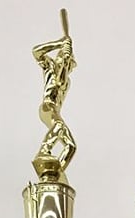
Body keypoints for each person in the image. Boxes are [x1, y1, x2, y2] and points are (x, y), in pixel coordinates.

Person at [32, 13, 77, 174]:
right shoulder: (49, 67)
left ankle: (57, 174)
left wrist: (65, 57)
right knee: (57, 125)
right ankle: (43, 151)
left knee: (71, 146)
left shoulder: (66, 81)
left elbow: (61, 80)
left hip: (55, 111)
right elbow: (36, 52)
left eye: (69, 62)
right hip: (47, 108)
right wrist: (59, 44)